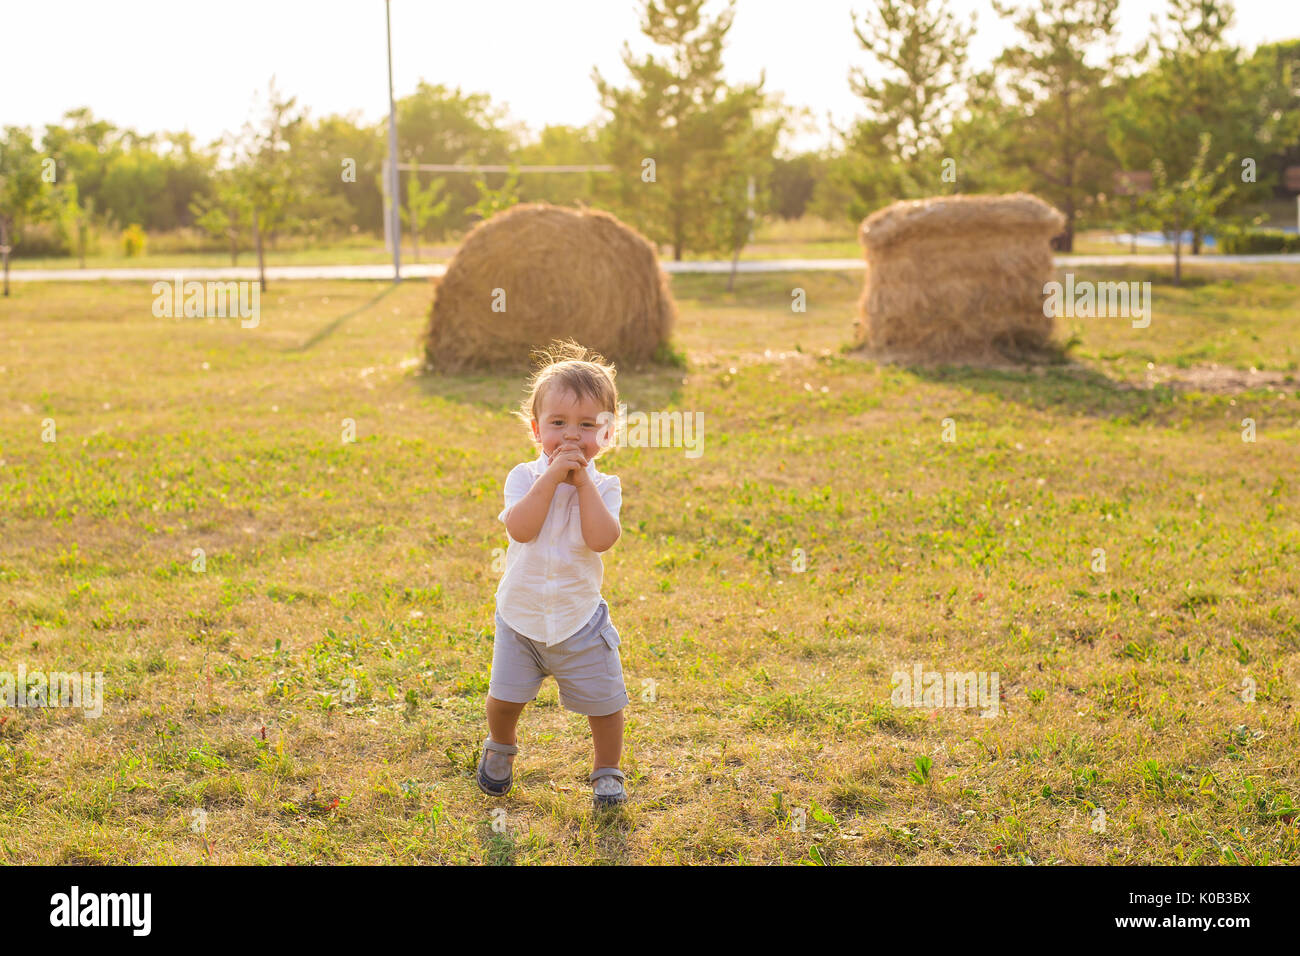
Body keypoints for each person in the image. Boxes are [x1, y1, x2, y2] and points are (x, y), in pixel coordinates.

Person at [478, 340, 629, 809]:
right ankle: (500, 746)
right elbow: (521, 529)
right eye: (558, 424)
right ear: (535, 428)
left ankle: (607, 771)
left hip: (579, 621)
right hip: (520, 620)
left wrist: (581, 483)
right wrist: (552, 478)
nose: (571, 436)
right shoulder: (523, 477)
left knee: (606, 704)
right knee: (504, 700)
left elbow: (602, 539)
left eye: (588, 425)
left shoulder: (605, 486)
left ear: (608, 434)